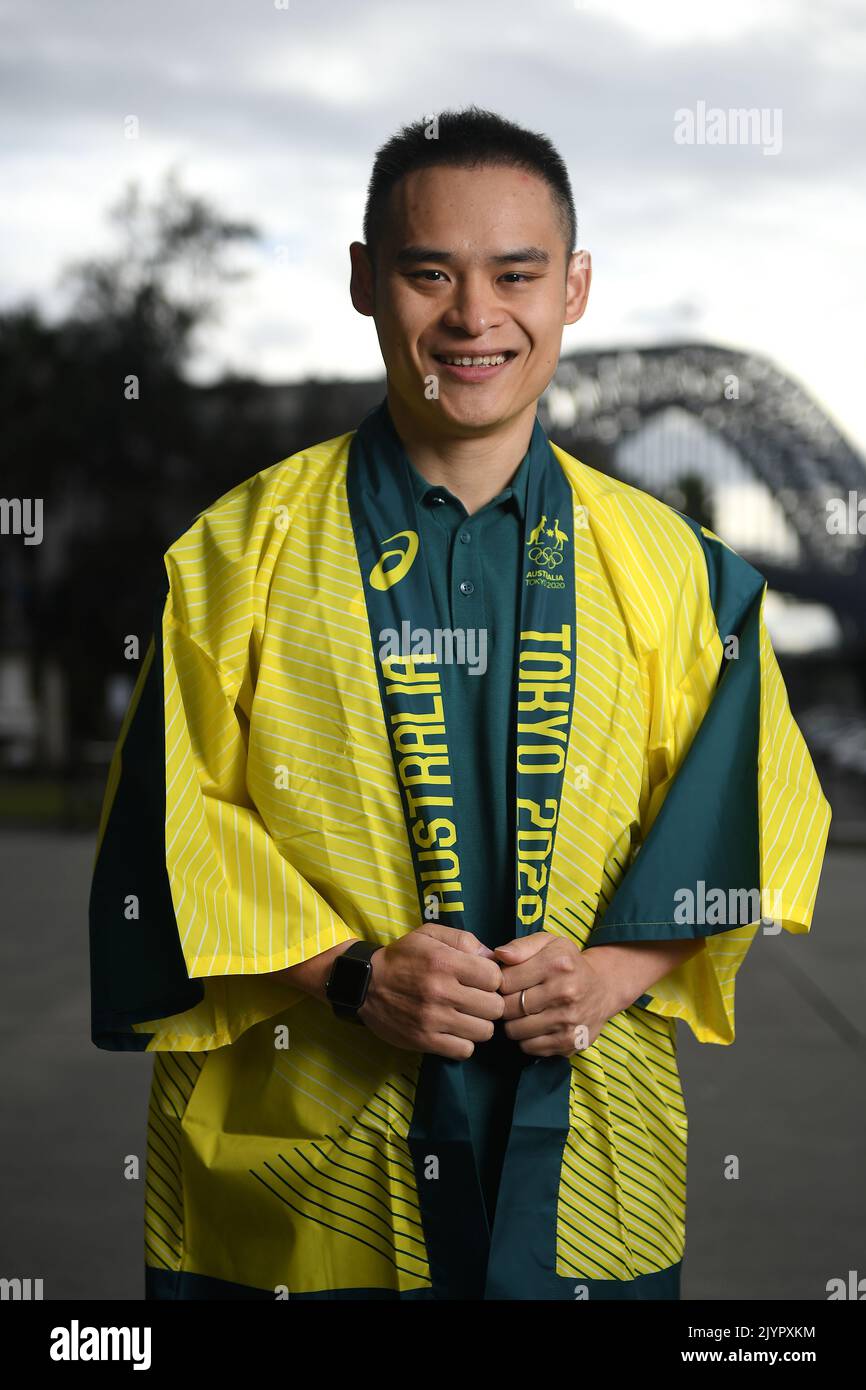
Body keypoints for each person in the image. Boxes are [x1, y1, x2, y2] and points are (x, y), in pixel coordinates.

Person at [88, 105, 831, 1301]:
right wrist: (345, 975)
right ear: (362, 281)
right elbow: (174, 822)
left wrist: (608, 976)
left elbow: (741, 811)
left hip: (591, 1165)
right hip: (306, 1169)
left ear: (574, 287)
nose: (474, 318)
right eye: (428, 272)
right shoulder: (236, 553)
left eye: (516, 273)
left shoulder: (679, 569)